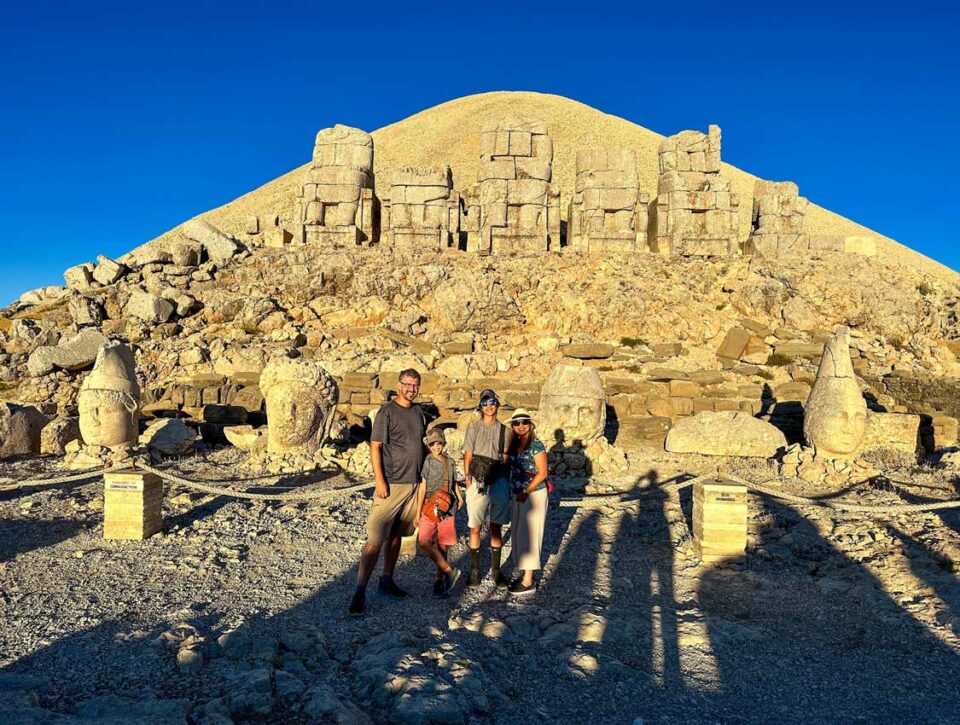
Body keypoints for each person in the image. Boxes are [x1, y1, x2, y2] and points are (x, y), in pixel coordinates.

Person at [349, 369, 426, 616]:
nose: (411, 389)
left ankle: (387, 579)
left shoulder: (418, 412)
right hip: (392, 483)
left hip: (413, 483)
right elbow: (375, 446)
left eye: (415, 385)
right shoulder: (387, 412)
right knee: (375, 537)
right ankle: (360, 590)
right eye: (407, 384)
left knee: (397, 534)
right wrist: (380, 480)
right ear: (399, 385)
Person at [462, 389, 513, 586]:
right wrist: (467, 479)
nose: (489, 406)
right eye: (485, 403)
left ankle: (495, 571)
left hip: (499, 480)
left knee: (495, 528)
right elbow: (468, 454)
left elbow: (507, 457)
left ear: (497, 405)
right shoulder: (473, 428)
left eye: (492, 402)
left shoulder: (505, 431)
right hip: (477, 480)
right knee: (474, 527)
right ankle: (474, 571)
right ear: (480, 406)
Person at [416, 426, 465, 596]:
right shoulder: (427, 461)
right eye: (433, 444)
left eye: (439, 443)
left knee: (443, 545)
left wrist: (460, 497)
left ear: (443, 443)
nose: (436, 447)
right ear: (428, 446)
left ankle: (440, 579)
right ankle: (448, 569)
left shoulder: (449, 462)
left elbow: (454, 482)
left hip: (447, 507)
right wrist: (417, 512)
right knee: (423, 541)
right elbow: (422, 487)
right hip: (429, 506)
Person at [505, 408, 549, 596]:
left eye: (524, 422)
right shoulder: (515, 445)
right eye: (517, 423)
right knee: (520, 532)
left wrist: (526, 490)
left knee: (531, 534)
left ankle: (528, 580)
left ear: (530, 425)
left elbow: (543, 473)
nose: (521, 426)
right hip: (518, 492)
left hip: (533, 493)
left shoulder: (537, 446)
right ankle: (525, 574)